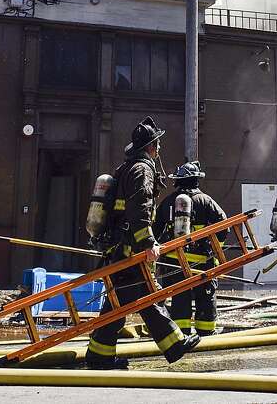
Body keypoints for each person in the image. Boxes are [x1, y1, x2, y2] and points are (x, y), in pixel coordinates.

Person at [86, 117, 199, 370]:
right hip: (129, 250)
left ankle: (173, 345)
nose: (159, 149)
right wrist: (148, 243)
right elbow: (140, 209)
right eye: (157, 144)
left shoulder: (126, 167)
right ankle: (99, 357)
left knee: (146, 299)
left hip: (122, 247)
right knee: (121, 305)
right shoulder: (142, 170)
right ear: (151, 146)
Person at [153, 161, 227, 336]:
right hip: (203, 261)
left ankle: (182, 333)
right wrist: (215, 249)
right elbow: (225, 227)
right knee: (205, 296)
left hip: (174, 263)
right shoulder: (205, 201)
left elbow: (155, 230)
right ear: (196, 180)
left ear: (178, 181)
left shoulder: (169, 201)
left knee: (180, 298)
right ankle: (206, 333)